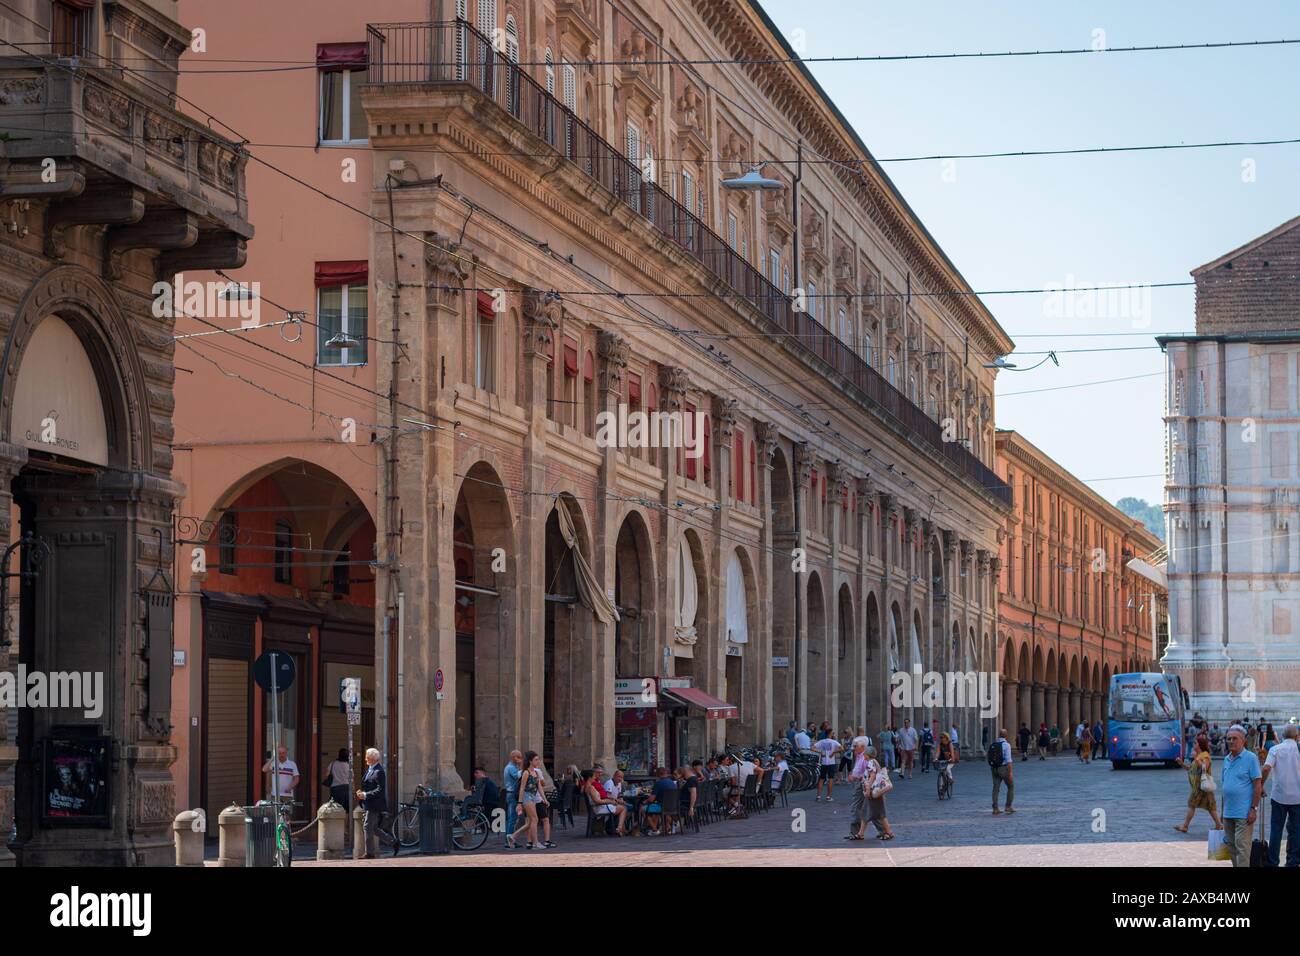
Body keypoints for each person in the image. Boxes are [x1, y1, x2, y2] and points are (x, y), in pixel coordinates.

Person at [1220, 725, 1263, 867]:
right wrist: (1222, 811)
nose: (1231, 741)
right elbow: (1224, 786)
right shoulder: (1226, 759)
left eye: (1234, 738)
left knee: (1242, 849)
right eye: (1228, 739)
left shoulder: (1251, 758)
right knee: (1231, 848)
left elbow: (1257, 785)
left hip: (1244, 813)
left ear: (1243, 740)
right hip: (1228, 813)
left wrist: (1253, 808)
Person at [1262, 723, 1300, 867]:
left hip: (1279, 796)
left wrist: (1260, 785)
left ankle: (1273, 862)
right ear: (1297, 736)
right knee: (1296, 830)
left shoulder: (1275, 749)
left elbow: (1266, 768)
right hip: (1298, 797)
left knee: (1276, 829)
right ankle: (1293, 861)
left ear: (1283, 735)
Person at [1174, 733, 1223, 834]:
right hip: (1200, 786)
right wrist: (1182, 764)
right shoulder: (1199, 756)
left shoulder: (1205, 755)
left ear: (1200, 745)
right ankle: (1219, 825)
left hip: (1201, 786)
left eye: (1195, 743)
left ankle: (1185, 826)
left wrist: (1197, 759)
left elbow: (1204, 766)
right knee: (1210, 806)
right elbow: (1190, 769)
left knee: (1192, 804)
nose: (1194, 744)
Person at [508, 751, 553, 849]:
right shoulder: (526, 772)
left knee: (529, 822)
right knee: (534, 819)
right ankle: (535, 843)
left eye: (538, 759)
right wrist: (520, 803)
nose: (538, 761)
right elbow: (522, 788)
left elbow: (540, 787)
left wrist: (544, 799)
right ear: (530, 761)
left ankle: (513, 836)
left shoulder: (536, 772)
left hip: (532, 797)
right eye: (536, 760)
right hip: (526, 797)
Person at [355, 747, 386, 859]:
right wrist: (362, 793)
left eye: (367, 757)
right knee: (373, 828)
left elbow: (380, 789)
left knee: (367, 826)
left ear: (373, 758)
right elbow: (368, 785)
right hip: (367, 802)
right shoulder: (370, 770)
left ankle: (369, 853)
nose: (365, 759)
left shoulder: (379, 771)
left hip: (374, 803)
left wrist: (366, 794)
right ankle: (393, 842)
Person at [862, 746, 895, 840]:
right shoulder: (874, 761)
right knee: (875, 813)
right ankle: (861, 833)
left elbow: (872, 775)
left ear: (868, 755)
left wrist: (868, 789)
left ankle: (889, 832)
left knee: (880, 814)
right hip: (876, 791)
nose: (863, 755)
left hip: (874, 791)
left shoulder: (870, 762)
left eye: (864, 753)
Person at [581, 768, 627, 836]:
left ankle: (618, 828)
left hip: (597, 807)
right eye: (593, 776)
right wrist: (609, 801)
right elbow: (598, 801)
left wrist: (610, 801)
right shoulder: (590, 788)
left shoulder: (587, 786)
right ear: (589, 777)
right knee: (623, 808)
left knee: (620, 807)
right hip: (598, 808)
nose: (595, 777)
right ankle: (619, 828)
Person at [844, 738, 871, 841]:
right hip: (859, 784)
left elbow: (868, 773)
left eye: (856, 747)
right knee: (871, 808)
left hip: (861, 785)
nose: (853, 749)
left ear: (863, 747)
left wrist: (855, 777)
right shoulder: (859, 756)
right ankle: (884, 830)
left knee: (856, 807)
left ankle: (854, 832)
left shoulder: (864, 757)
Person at [645, 766, 680, 835]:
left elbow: (651, 799)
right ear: (666, 773)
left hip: (662, 807)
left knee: (643, 809)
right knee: (656, 809)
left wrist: (645, 801)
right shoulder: (672, 783)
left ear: (658, 775)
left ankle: (654, 829)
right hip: (673, 806)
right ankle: (669, 826)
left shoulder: (658, 783)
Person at [989, 727, 1015, 814]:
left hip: (994, 768)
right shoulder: (1006, 745)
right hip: (1003, 768)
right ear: (1006, 735)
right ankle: (1008, 806)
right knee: (1010, 786)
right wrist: (1010, 772)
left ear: (999, 735)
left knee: (996, 788)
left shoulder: (994, 744)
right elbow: (1009, 760)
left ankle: (995, 808)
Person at [502, 750, 523, 844]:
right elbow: (518, 776)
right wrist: (522, 766)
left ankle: (510, 839)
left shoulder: (512, 767)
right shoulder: (511, 767)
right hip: (512, 794)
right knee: (512, 818)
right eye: (519, 757)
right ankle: (508, 841)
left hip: (511, 794)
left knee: (513, 818)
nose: (520, 759)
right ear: (514, 758)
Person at [814, 732, 842, 800]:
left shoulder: (821, 741)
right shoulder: (834, 742)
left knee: (821, 779)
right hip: (831, 763)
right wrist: (833, 752)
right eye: (832, 733)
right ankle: (828, 797)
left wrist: (820, 752)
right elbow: (842, 748)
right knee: (831, 779)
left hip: (824, 763)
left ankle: (818, 796)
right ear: (830, 734)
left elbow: (812, 748)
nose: (833, 735)